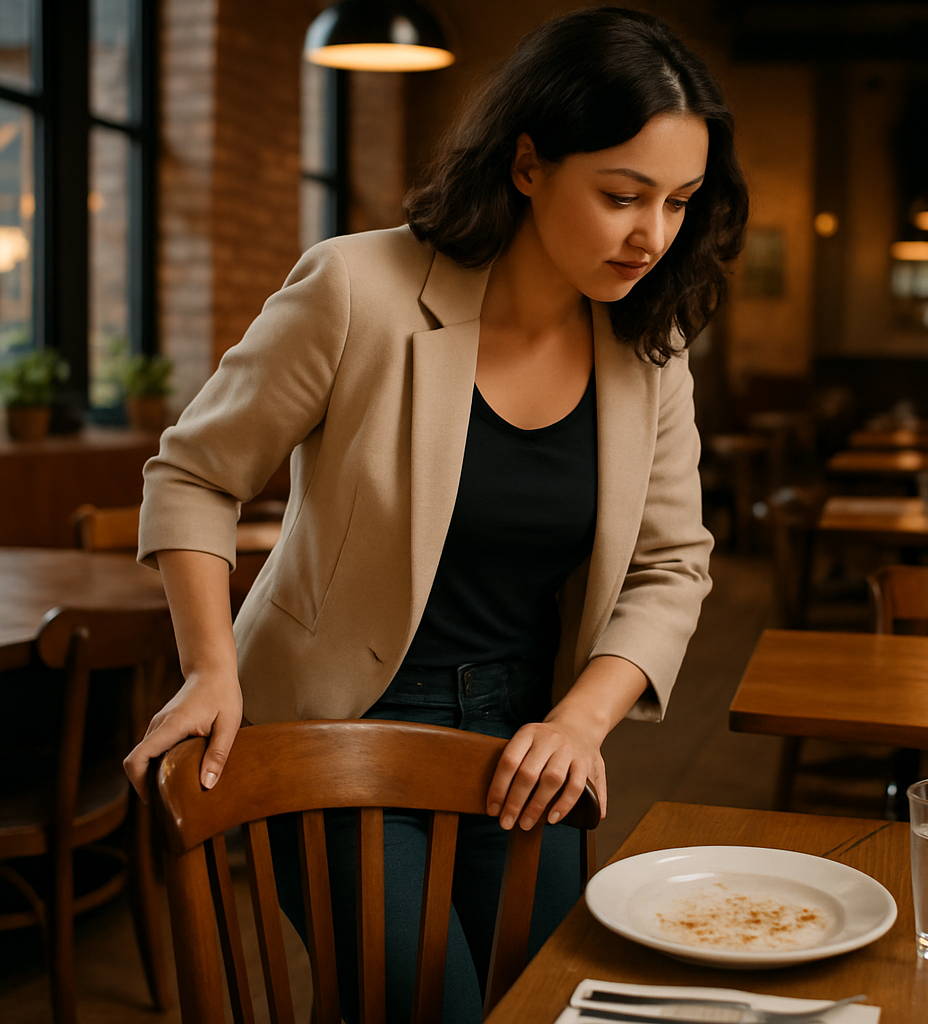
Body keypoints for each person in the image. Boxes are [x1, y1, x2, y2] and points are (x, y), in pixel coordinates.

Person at [124, 6, 747, 1021]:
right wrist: (209, 667)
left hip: (525, 737)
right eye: (622, 196)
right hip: (336, 726)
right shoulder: (356, 288)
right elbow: (193, 473)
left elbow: (671, 564)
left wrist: (581, 720)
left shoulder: (650, 346)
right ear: (528, 164)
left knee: (548, 1000)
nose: (653, 236)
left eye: (679, 202)